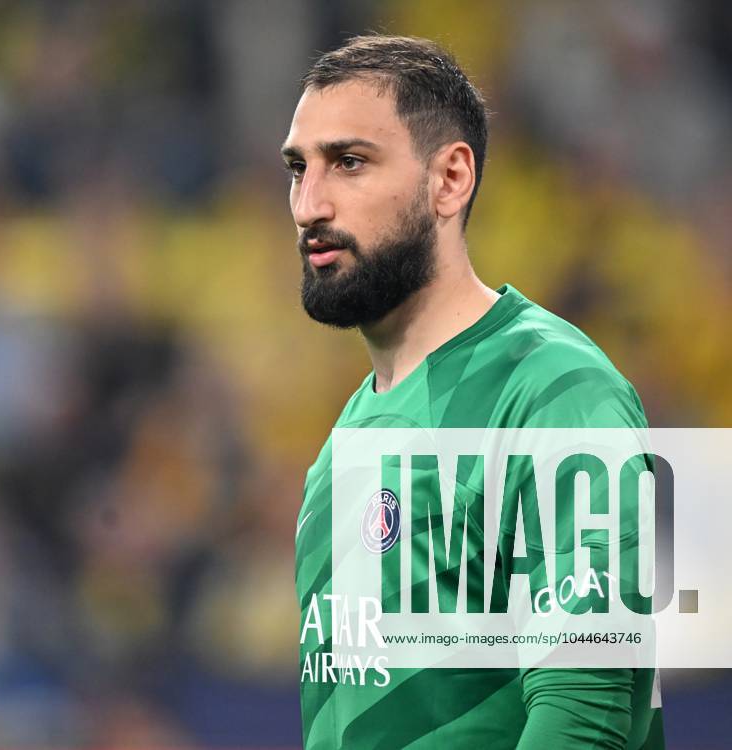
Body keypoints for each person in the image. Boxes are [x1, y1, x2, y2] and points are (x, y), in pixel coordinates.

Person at [283, 35, 664, 749]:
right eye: (297, 169)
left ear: (450, 179)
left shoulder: (554, 391)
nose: (309, 205)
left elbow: (587, 717)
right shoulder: (346, 442)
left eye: (350, 163)